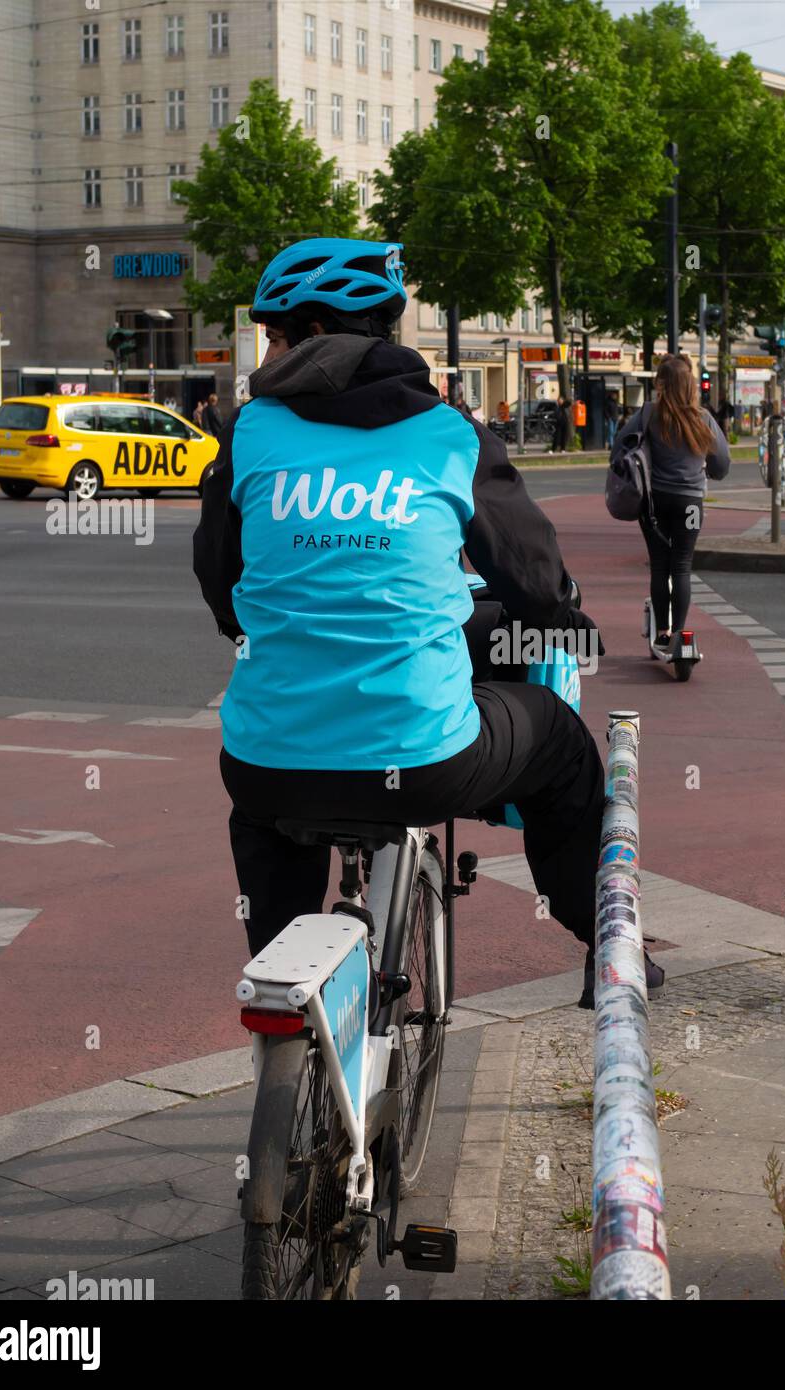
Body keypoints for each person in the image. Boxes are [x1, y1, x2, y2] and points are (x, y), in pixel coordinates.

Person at [193, 236, 663, 1012]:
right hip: (421, 763)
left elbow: (220, 580)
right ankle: (610, 948)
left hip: (267, 759)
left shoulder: (248, 433)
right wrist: (562, 620)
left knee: (263, 805)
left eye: (275, 335)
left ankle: (288, 998)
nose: (265, 352)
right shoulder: (451, 436)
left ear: (314, 334)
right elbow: (532, 577)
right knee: (558, 744)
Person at [615, 354, 731, 649]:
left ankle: (663, 632)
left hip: (655, 503)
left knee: (659, 566)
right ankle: (680, 632)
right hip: (691, 504)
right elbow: (722, 465)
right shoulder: (703, 418)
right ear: (690, 384)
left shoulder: (649, 414)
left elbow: (620, 446)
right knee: (682, 565)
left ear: (662, 385)